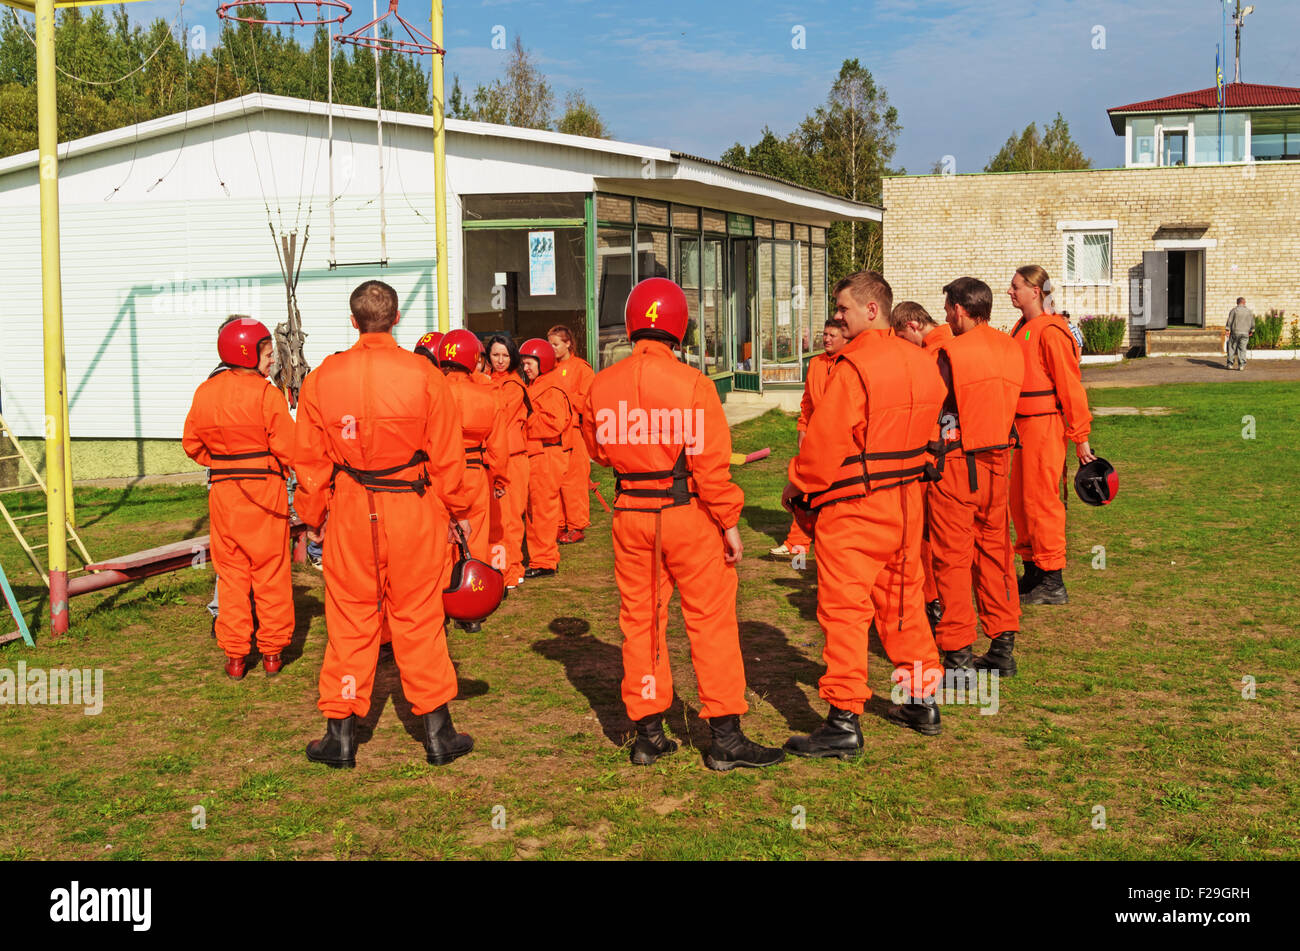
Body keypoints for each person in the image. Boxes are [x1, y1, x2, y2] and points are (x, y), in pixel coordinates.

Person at [582, 277, 785, 771]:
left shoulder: (601, 384)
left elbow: (599, 453)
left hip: (632, 514)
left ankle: (648, 733)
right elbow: (710, 466)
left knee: (641, 621)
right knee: (710, 621)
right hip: (685, 513)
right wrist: (730, 522)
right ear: (680, 327)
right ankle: (725, 736)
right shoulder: (694, 384)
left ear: (632, 325)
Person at [294, 281, 475, 769]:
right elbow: (448, 456)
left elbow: (308, 462)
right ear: (397, 319)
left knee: (350, 619)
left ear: (353, 321)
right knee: (419, 617)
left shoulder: (323, 378)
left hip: (352, 507)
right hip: (412, 507)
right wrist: (458, 514)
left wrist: (312, 519)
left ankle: (341, 737)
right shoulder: (425, 375)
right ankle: (438, 734)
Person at [782, 271, 948, 755]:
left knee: (845, 610)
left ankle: (843, 720)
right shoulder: (922, 363)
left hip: (854, 506)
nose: (838, 317)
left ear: (871, 310)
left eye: (844, 309)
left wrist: (796, 487)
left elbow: (823, 444)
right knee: (903, 603)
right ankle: (921, 700)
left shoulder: (853, 368)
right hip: (906, 504)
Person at [183, 317, 295, 679]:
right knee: (271, 572)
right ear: (248, 354)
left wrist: (223, 462)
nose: (271, 360)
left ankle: (235, 657)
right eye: (266, 353)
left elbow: (191, 444)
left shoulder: (204, 391)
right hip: (265, 496)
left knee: (231, 575)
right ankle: (273, 652)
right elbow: (290, 448)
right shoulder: (266, 394)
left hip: (225, 497)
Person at [928, 278, 1025, 678]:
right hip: (999, 463)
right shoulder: (1011, 346)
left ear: (959, 309)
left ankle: (958, 657)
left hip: (956, 466)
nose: (947, 316)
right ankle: (1002, 645)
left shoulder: (950, 351)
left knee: (952, 559)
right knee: (997, 554)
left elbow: (932, 404)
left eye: (949, 308)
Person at [1007, 265, 1096, 606]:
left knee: (1042, 501)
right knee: (1020, 502)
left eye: (1016, 287)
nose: (1010, 292)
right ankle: (1032, 572)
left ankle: (1052, 579)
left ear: (1035, 291)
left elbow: (1070, 387)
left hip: (1044, 425)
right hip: (1020, 429)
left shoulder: (1051, 331)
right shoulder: (1022, 328)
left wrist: (1081, 437)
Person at [428, 330, 509, 632]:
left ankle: (439, 603)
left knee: (440, 540)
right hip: (475, 472)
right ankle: (472, 607)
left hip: (438, 471)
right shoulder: (486, 395)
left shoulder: (432, 391)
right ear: (474, 359)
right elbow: (499, 447)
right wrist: (499, 477)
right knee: (475, 538)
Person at [890, 301, 949, 630]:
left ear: (913, 325)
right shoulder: (953, 346)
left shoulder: (932, 356)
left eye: (901, 337)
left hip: (931, 458)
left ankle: (933, 600)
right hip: (953, 454)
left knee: (925, 536)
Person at [769, 317, 848, 558]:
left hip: (841, 440)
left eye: (831, 335)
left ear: (845, 338)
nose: (826, 339)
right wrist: (802, 430)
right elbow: (807, 403)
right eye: (824, 334)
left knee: (835, 494)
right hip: (814, 439)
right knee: (803, 490)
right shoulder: (815, 363)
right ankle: (797, 542)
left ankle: (832, 543)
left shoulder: (849, 365)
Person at [519, 338, 572, 579]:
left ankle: (545, 561)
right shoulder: (539, 384)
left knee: (542, 510)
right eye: (524, 363)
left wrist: (524, 420)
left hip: (547, 455)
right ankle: (542, 557)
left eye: (529, 363)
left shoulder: (549, 388)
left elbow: (553, 423)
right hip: (540, 454)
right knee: (537, 509)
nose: (526, 367)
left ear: (543, 362)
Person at [487, 334, 531, 589]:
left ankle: (510, 572)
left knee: (510, 519)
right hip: (495, 459)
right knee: (497, 520)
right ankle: (503, 569)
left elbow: (497, 418)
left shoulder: (514, 386)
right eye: (495, 355)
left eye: (505, 355)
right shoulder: (487, 382)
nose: (500, 360)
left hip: (512, 460)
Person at [548, 325, 596, 544]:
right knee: (554, 479)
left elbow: (588, 401)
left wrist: (563, 396)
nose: (552, 348)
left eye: (556, 344)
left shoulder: (581, 368)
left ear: (568, 343)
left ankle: (576, 525)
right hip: (553, 431)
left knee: (574, 480)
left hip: (574, 430)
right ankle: (558, 524)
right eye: (550, 344)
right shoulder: (548, 368)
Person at [1226, 297, 1254, 371]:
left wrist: (1227, 330)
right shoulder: (1249, 311)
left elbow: (1229, 321)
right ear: (1244, 303)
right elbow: (1252, 322)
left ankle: (1230, 364)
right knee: (1242, 349)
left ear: (1237, 303)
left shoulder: (1234, 310)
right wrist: (1251, 330)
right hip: (1245, 333)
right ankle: (1241, 365)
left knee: (1232, 347)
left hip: (1235, 332)